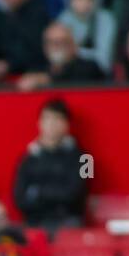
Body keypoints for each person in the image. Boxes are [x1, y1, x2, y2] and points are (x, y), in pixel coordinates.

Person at [13, 98, 87, 232]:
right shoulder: (27, 159)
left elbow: (77, 194)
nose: (51, 124)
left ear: (66, 124)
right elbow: (19, 199)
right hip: (34, 224)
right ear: (39, 123)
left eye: (57, 119)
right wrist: (57, 193)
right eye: (47, 119)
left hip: (68, 223)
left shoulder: (86, 159)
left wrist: (37, 193)